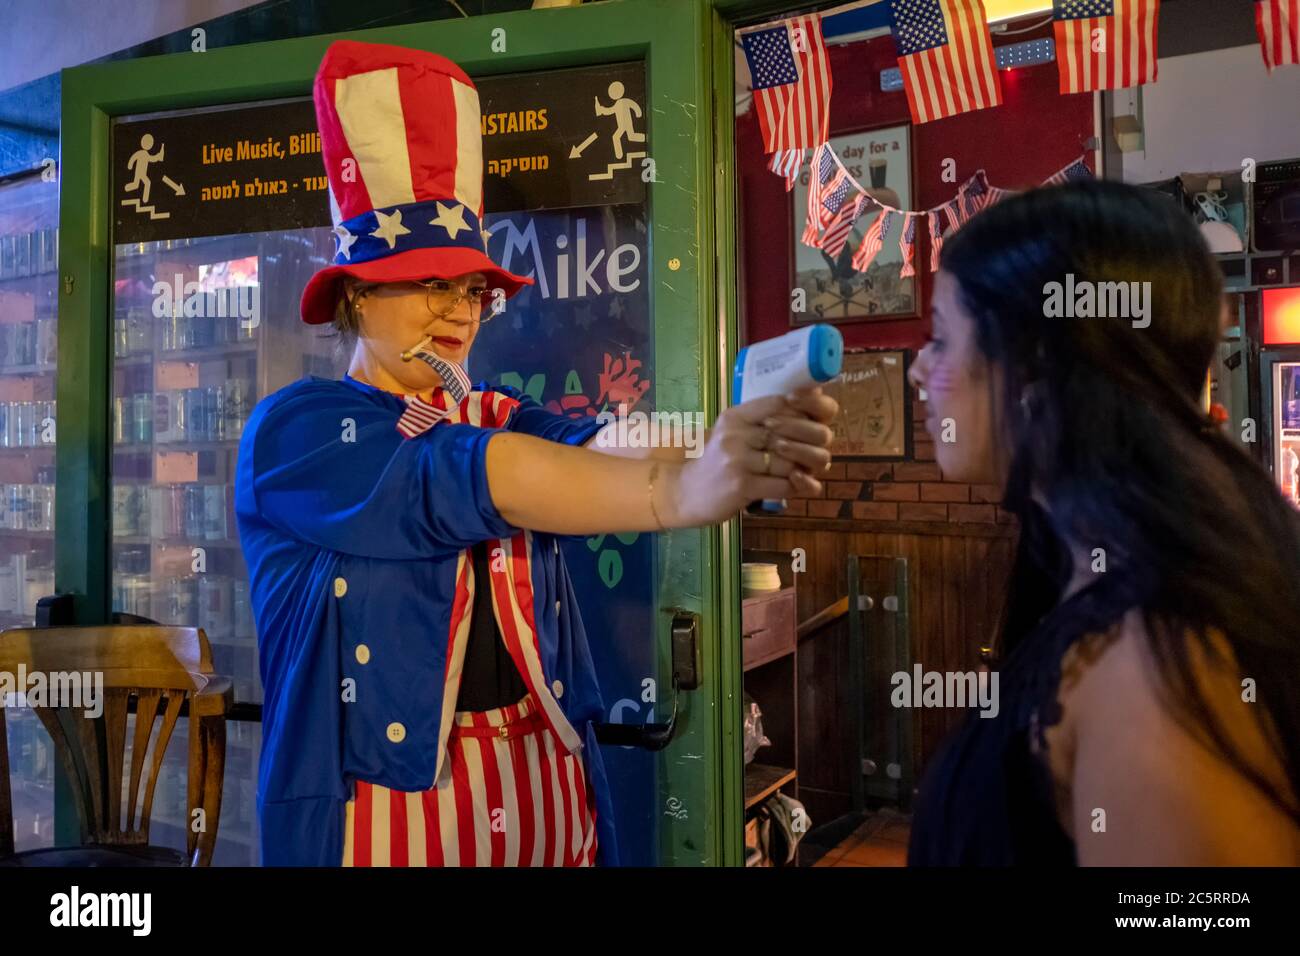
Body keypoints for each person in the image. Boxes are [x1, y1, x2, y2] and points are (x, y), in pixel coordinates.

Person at [234, 40, 837, 867]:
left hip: (541, 784)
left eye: (471, 288)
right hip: (385, 813)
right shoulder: (296, 432)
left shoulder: (496, 410)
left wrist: (725, 427)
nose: (458, 310)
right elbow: (476, 477)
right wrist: (686, 494)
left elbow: (599, 442)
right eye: (428, 282)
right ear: (354, 293)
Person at [905, 179, 1300, 865]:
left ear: (1032, 367)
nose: (919, 369)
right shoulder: (1089, 562)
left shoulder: (1155, 661)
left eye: (941, 338)